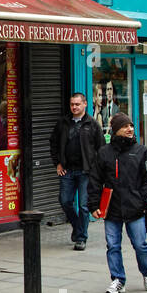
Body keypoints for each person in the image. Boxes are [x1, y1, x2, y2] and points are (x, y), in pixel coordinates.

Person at [88, 112, 147, 293]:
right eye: (125, 126)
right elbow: (95, 180)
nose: (130, 129)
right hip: (112, 208)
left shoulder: (141, 151)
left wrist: (143, 201)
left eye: (131, 126)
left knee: (140, 244)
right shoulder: (104, 153)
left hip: (135, 208)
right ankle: (118, 279)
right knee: (113, 246)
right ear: (116, 130)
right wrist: (93, 205)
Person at [50, 92, 104, 251]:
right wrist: (58, 163)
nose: (74, 107)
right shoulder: (63, 123)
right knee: (65, 200)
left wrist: (98, 172)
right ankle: (77, 226)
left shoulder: (93, 124)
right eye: (72, 104)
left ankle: (81, 238)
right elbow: (53, 143)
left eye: (77, 104)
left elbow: (101, 150)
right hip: (67, 170)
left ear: (85, 104)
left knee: (84, 205)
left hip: (86, 172)